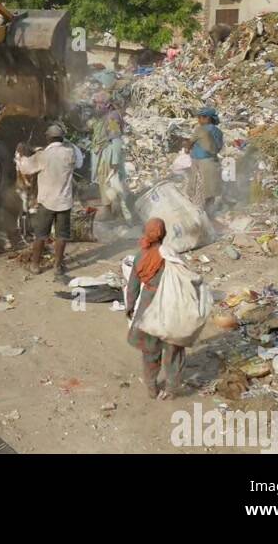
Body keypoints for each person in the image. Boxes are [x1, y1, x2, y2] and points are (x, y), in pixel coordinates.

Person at [125, 218, 186, 400]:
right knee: (173, 349)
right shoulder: (170, 255)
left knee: (150, 349)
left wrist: (130, 306)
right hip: (170, 304)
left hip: (148, 305)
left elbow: (133, 286)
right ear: (164, 234)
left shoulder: (141, 256)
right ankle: (171, 389)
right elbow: (184, 279)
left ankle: (151, 387)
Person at [16, 124, 83, 276]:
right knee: (61, 236)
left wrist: (21, 155)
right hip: (64, 202)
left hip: (47, 202)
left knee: (41, 235)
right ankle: (57, 266)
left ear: (48, 138)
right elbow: (79, 162)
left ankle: (35, 265)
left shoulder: (43, 156)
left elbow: (25, 169)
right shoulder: (70, 153)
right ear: (62, 138)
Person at [89, 95, 127, 217]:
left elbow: (116, 137)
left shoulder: (112, 117)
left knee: (108, 183)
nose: (97, 107)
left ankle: (111, 211)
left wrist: (114, 160)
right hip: (104, 154)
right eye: (96, 104)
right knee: (106, 182)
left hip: (109, 156)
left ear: (107, 105)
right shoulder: (105, 117)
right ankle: (114, 211)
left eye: (99, 104)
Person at [185, 107, 224, 216]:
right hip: (213, 162)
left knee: (197, 187)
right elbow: (219, 147)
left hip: (200, 162)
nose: (198, 120)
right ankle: (208, 213)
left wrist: (187, 148)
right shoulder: (218, 131)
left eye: (200, 117)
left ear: (207, 118)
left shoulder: (200, 129)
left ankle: (197, 214)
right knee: (210, 189)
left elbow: (190, 142)